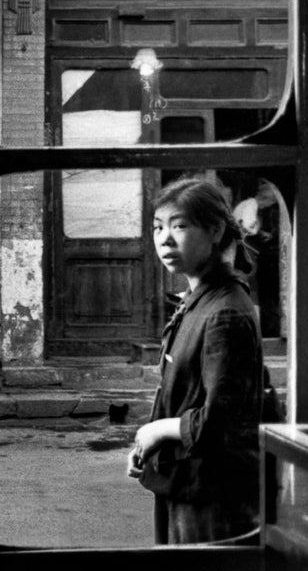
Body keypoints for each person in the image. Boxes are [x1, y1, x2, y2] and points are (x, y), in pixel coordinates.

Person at [126, 177, 264, 545]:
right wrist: (150, 445)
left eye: (180, 226)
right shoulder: (196, 300)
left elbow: (222, 420)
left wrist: (157, 431)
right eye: (158, 228)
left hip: (212, 494)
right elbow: (182, 392)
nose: (164, 239)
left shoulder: (224, 312)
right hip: (185, 479)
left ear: (215, 230)